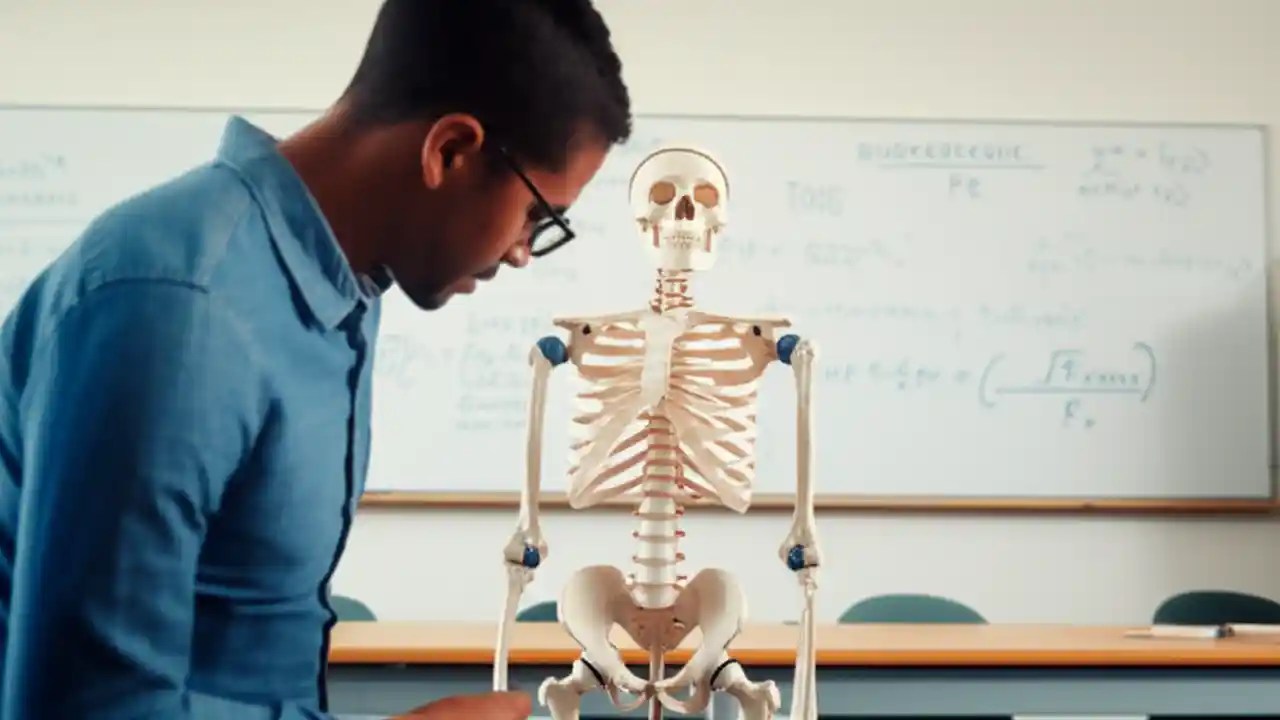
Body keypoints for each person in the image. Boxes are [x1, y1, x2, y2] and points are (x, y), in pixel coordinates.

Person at [0, 0, 631, 718]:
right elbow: (85, 707)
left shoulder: (342, 292)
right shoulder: (180, 306)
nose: (523, 253)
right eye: (535, 217)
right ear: (450, 150)